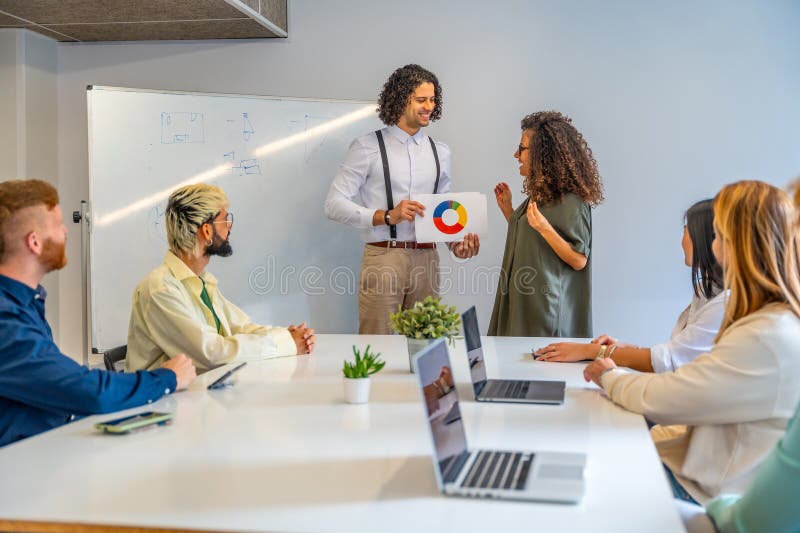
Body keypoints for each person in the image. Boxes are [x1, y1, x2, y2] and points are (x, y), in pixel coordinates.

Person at [583, 180, 800, 504]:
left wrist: (608, 374)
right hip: (697, 470)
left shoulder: (765, 336)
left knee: (587, 473)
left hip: (701, 491)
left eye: (719, 233)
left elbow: (668, 394)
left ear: (730, 242)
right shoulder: (766, 321)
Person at [0, 179, 196, 448]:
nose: (66, 232)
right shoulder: (5, 318)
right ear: (34, 242)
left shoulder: (24, 303)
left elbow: (61, 385)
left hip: (44, 448)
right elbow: (86, 391)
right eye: (58, 225)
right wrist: (167, 378)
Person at [324, 64, 479, 334]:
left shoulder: (439, 152)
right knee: (378, 344)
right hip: (384, 256)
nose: (429, 106)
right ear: (400, 99)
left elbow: (441, 212)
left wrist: (457, 246)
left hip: (427, 258)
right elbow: (333, 204)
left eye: (432, 99)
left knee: (427, 345)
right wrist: (386, 216)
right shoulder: (367, 147)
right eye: (421, 99)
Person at [126, 183, 315, 374]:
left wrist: (288, 336)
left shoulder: (201, 280)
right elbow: (211, 353)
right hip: (164, 402)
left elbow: (241, 327)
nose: (230, 225)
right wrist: (288, 344)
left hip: (196, 394)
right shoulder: (160, 289)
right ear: (207, 231)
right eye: (225, 219)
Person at [535, 199, 724, 372]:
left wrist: (590, 351)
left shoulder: (722, 303)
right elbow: (678, 354)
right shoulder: (706, 291)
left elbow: (669, 361)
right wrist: (623, 349)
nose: (682, 239)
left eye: (686, 229)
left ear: (704, 238)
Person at [489, 111, 604, 338]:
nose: (516, 154)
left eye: (522, 149)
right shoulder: (540, 196)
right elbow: (534, 239)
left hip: (545, 314)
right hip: (524, 304)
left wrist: (544, 227)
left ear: (543, 154)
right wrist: (510, 212)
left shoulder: (570, 200)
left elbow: (579, 259)